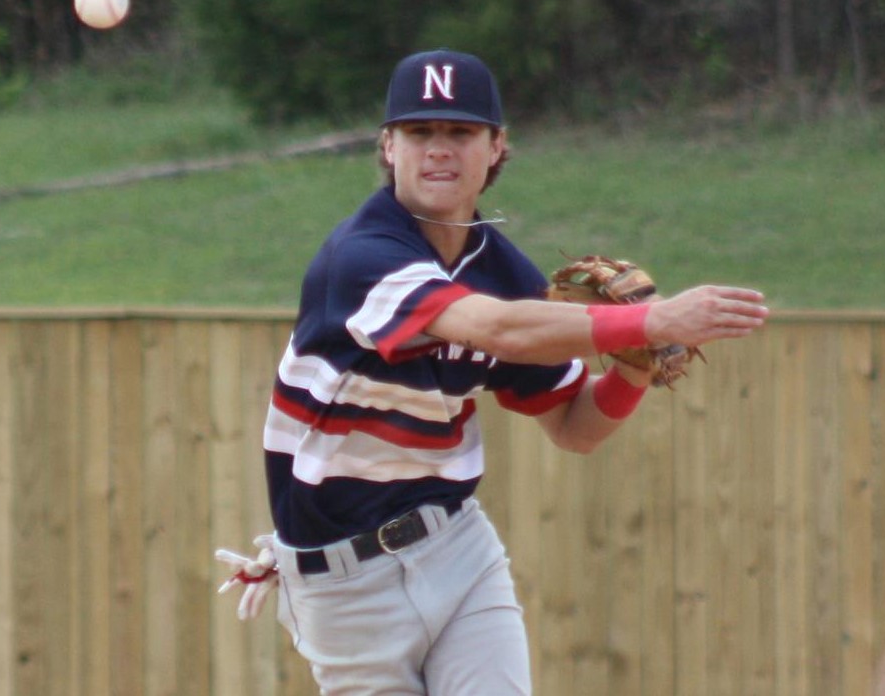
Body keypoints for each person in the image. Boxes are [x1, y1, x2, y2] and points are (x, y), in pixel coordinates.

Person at [216, 48, 769, 695]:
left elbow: (575, 427)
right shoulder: (362, 255)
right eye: (419, 131)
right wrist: (651, 322)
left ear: (496, 146)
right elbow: (493, 329)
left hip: (456, 552)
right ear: (388, 146)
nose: (438, 149)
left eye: (460, 131)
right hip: (344, 586)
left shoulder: (503, 272)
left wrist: (633, 368)